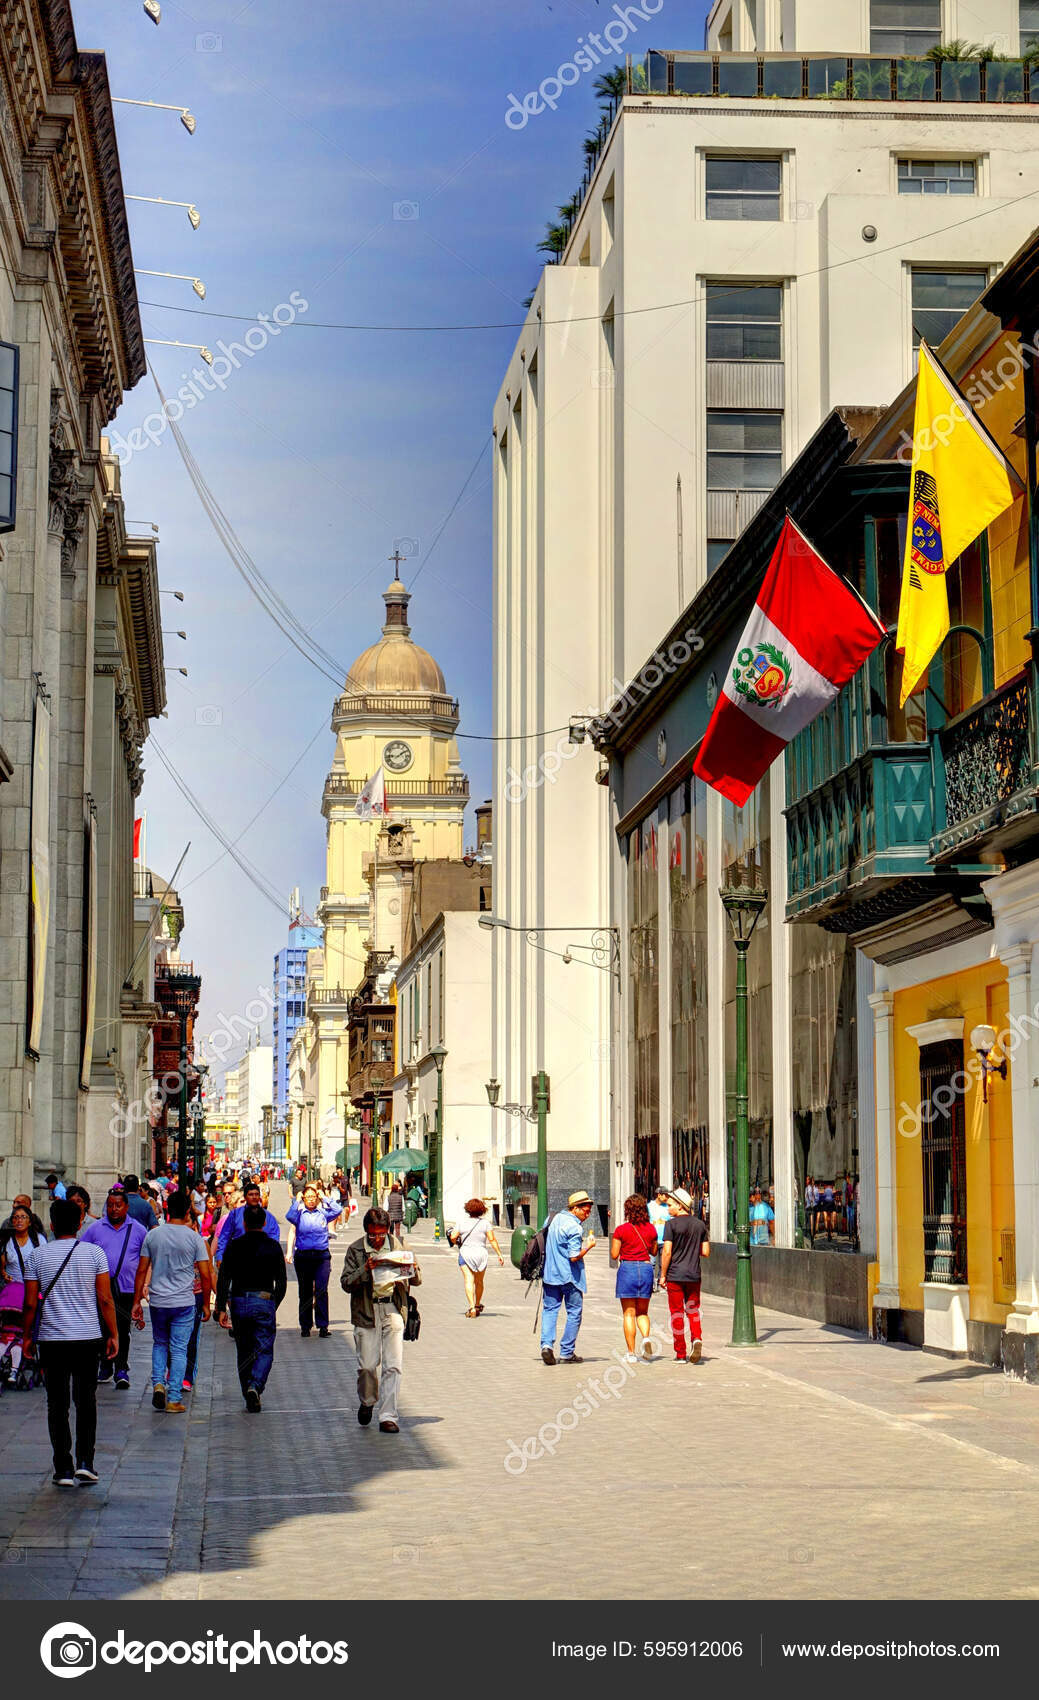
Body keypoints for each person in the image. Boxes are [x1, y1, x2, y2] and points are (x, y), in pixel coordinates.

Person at [22, 1199, 118, 1486]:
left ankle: (62, 1467)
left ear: (51, 1225)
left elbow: (29, 1304)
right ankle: (86, 1462)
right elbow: (104, 1298)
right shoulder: (94, 1253)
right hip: (87, 1338)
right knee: (86, 1401)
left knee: (57, 1403)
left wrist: (27, 1337)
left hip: (52, 1339)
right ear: (79, 1223)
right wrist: (112, 1333)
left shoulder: (37, 1257)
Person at [340, 1206, 421, 1434]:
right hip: (366, 1311)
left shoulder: (398, 1245)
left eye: (381, 1233)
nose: (377, 1239)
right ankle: (367, 1401)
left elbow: (417, 1279)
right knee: (367, 1366)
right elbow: (346, 1283)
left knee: (393, 1365)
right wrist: (366, 1269)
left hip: (393, 1307)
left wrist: (409, 1269)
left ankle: (388, 1416)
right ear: (366, 1231)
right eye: (373, 1234)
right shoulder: (355, 1250)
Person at [131, 1191, 212, 1413]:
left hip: (158, 1300)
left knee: (160, 1342)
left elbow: (141, 1270)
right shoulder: (194, 1238)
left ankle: (158, 1383)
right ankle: (174, 1397)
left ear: (166, 1209)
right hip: (185, 1301)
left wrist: (137, 1300)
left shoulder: (153, 1235)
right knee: (179, 1349)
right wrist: (206, 1303)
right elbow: (205, 1274)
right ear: (188, 1211)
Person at [216, 1203, 288, 1412]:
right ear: (264, 1223)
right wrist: (273, 1303)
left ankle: (247, 1387)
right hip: (264, 1299)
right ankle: (255, 1385)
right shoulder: (273, 1247)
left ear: (244, 1223)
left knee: (244, 1349)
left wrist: (221, 1307)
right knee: (264, 1350)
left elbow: (223, 1278)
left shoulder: (234, 1246)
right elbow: (281, 1282)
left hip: (239, 1302)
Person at [81, 1188, 147, 1392]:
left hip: (127, 1288)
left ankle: (121, 1369)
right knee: (102, 1327)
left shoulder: (138, 1229)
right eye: (110, 1205)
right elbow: (83, 1253)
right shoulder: (95, 1228)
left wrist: (142, 1290)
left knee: (123, 1329)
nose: (114, 1209)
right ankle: (106, 1365)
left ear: (126, 1207)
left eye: (118, 1205)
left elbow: (145, 1261)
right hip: (101, 1289)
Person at [540, 1190, 596, 1366]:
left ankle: (547, 1345)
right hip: (570, 1277)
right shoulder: (575, 1227)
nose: (587, 1214)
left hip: (550, 1274)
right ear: (575, 1208)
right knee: (574, 1313)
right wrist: (589, 1247)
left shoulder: (552, 1219)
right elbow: (573, 1256)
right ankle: (566, 1352)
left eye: (589, 1211)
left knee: (550, 1310)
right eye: (585, 1210)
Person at [660, 1187, 710, 1363]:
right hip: (693, 1275)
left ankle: (680, 1353)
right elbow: (705, 1252)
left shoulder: (670, 1225)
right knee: (693, 1310)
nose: (668, 1208)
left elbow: (666, 1252)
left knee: (676, 1313)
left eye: (670, 1205)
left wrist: (662, 1275)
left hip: (675, 1275)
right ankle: (696, 1338)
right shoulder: (700, 1225)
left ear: (680, 1206)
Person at [285, 1183, 342, 1337]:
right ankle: (305, 1325)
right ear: (303, 1198)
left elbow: (338, 1210)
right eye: (307, 1197)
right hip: (303, 1256)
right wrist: (296, 1201)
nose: (310, 1200)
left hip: (321, 1256)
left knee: (322, 1291)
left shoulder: (323, 1212)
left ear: (317, 1198)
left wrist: (325, 1198)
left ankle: (323, 1326)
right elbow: (289, 1216)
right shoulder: (299, 1213)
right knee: (305, 1292)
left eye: (313, 1197)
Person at [0, 1202, 46, 1382]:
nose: (19, 1221)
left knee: (30, 1326)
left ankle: (21, 1357)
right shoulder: (6, 1242)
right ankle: (12, 1361)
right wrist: (4, 1274)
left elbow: (45, 1263)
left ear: (30, 1221)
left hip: (34, 1290)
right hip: (13, 1292)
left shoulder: (39, 1240)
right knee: (10, 1328)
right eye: (16, 1217)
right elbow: (2, 1267)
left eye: (23, 1217)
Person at [610, 1194, 658, 1363]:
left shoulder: (621, 1230)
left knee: (628, 1314)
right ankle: (646, 1338)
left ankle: (631, 1353)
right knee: (643, 1312)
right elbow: (653, 1252)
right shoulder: (651, 1229)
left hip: (628, 1269)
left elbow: (614, 1254)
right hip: (645, 1269)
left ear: (627, 1210)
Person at [449, 1198, 504, 1317]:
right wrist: (499, 1254)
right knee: (479, 1281)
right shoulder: (485, 1224)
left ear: (468, 1209)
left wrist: (457, 1239)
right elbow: (492, 1240)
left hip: (466, 1253)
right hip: (481, 1254)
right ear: (481, 1210)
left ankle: (472, 1307)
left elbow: (453, 1238)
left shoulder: (461, 1222)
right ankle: (478, 1304)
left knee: (468, 1280)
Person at [214, 1180, 279, 1263]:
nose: (254, 1197)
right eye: (251, 1194)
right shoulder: (235, 1215)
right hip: (238, 1260)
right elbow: (224, 1237)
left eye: (256, 1194)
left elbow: (274, 1240)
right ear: (245, 1197)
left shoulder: (269, 1217)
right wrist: (220, 1258)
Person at [647, 1186, 670, 1290]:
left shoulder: (668, 1207)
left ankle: (661, 1284)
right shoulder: (649, 1206)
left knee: (663, 1263)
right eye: (665, 1195)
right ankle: (651, 1284)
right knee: (651, 1263)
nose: (667, 1197)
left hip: (665, 1239)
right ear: (659, 1195)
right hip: (652, 1239)